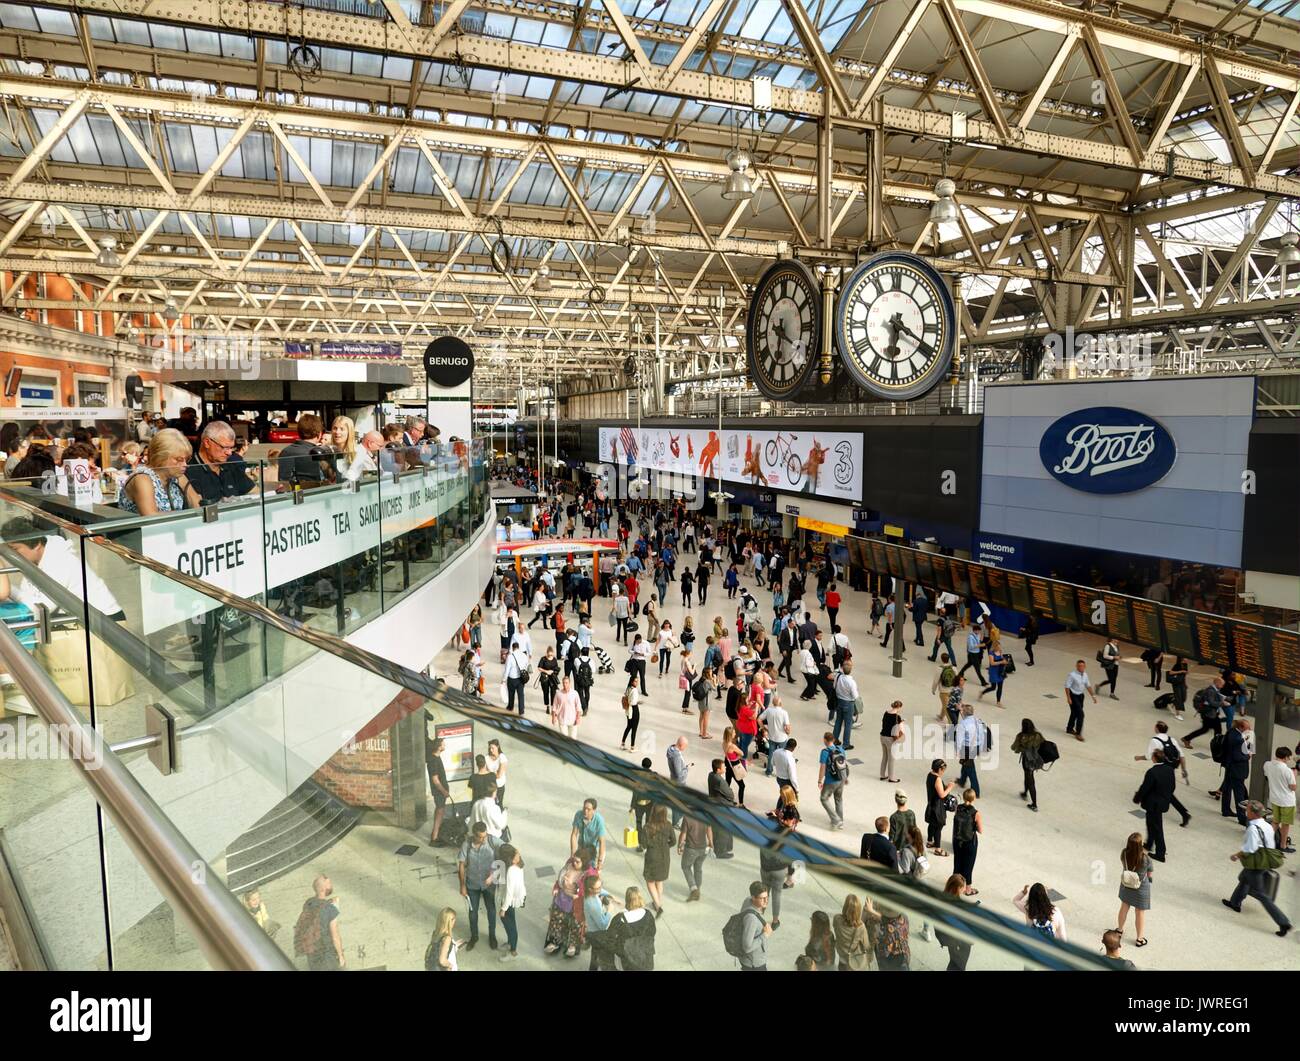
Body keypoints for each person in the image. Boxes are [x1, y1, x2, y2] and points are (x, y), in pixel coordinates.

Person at [1222, 801, 1293, 936]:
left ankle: (1283, 922)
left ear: (1253, 813)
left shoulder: (1253, 828)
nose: (1245, 812)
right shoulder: (1266, 825)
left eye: (1247, 810)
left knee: (1262, 894)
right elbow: (1271, 843)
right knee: (1244, 879)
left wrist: (1236, 856)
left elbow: (1250, 848)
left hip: (1256, 863)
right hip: (1264, 860)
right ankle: (1235, 903)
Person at [119, 428, 202, 515]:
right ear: (161, 457)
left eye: (186, 459)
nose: (185, 464)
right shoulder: (142, 479)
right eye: (179, 459)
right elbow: (151, 517)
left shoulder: (177, 476)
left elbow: (197, 505)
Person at [186, 420, 256, 504]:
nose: (229, 453)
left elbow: (255, 492)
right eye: (225, 447)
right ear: (207, 443)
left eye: (231, 448)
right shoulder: (189, 470)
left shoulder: (231, 466)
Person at [457, 822, 500, 952]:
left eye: (484, 836)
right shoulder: (467, 845)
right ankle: (474, 936)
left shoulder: (492, 841)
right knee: (472, 912)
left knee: (491, 911)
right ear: (474, 835)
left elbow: (507, 852)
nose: (483, 839)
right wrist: (462, 885)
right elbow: (461, 865)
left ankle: (492, 936)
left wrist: (494, 875)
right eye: (480, 837)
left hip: (489, 885)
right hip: (472, 884)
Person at [296, 875, 344, 970]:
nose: (331, 885)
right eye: (329, 883)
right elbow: (335, 936)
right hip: (327, 955)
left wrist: (330, 902)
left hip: (312, 952)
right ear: (323, 889)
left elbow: (318, 908)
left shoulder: (308, 903)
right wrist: (340, 955)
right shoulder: (330, 909)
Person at [1115, 832, 1153, 948]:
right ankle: (1139, 939)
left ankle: (1119, 930)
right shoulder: (1146, 859)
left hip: (1126, 885)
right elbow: (1149, 873)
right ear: (1140, 845)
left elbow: (1124, 864)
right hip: (1140, 888)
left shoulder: (1124, 853)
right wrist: (1149, 880)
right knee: (1139, 912)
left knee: (1124, 907)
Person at [544, 855, 585, 958]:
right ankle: (555, 942)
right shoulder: (567, 867)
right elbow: (559, 882)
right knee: (556, 921)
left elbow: (583, 892)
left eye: (577, 862)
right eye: (574, 861)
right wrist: (556, 888)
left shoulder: (584, 875)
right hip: (561, 900)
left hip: (574, 904)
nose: (574, 863)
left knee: (574, 925)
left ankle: (572, 945)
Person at [491, 843, 525, 962]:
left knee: (510, 926)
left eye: (517, 855)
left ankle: (513, 952)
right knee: (510, 923)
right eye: (516, 855)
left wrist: (503, 909)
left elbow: (509, 892)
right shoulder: (517, 864)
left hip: (509, 900)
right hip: (513, 898)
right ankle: (510, 943)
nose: (518, 857)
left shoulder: (511, 870)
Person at [609, 886, 657, 970]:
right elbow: (652, 932)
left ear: (627, 899)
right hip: (645, 956)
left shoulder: (619, 919)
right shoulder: (648, 915)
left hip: (628, 959)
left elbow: (610, 938)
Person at [277, 413, 332, 485]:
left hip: (289, 493)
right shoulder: (319, 454)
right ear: (319, 434)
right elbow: (329, 479)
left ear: (299, 432)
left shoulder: (285, 451)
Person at [640, 804, 674, 917]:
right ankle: (657, 902)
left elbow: (643, 844)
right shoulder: (668, 825)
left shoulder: (647, 827)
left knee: (650, 881)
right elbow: (673, 841)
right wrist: (665, 846)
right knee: (659, 880)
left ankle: (658, 906)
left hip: (652, 856)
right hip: (664, 856)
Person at [935, 875, 973, 971]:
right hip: (957, 940)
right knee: (959, 965)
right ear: (958, 888)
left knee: (954, 961)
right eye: (963, 887)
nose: (964, 890)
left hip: (950, 939)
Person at [1264, 747, 1297, 853]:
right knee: (1285, 824)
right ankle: (1283, 845)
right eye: (1288, 758)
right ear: (1285, 757)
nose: (1289, 760)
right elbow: (1293, 787)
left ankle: (1265, 841)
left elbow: (1266, 777)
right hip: (1287, 801)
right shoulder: (1287, 771)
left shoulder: (1267, 765)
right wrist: (1295, 775)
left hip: (1274, 798)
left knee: (1275, 821)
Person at [1221, 718, 1252, 826]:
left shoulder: (1232, 732)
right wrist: (1248, 756)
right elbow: (1237, 756)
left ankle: (1225, 810)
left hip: (1229, 766)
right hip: (1237, 769)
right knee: (1239, 795)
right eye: (1248, 728)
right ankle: (1242, 818)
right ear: (1241, 727)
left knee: (1227, 788)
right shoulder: (1238, 739)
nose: (1250, 730)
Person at [951, 788, 982, 895]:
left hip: (957, 840)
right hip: (970, 842)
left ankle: (954, 886)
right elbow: (980, 830)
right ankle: (968, 889)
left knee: (957, 863)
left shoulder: (958, 808)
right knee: (968, 865)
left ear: (963, 797)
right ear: (973, 799)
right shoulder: (976, 813)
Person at [1183, 677, 1228, 748]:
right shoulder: (1211, 691)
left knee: (1210, 729)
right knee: (1211, 730)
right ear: (1217, 683)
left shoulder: (1214, 690)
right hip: (1209, 714)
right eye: (1222, 684)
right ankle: (1217, 746)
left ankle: (1187, 738)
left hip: (1211, 713)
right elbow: (1212, 702)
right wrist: (1222, 703)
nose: (1223, 686)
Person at [832, 893, 873, 971]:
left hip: (842, 958)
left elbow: (835, 928)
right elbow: (866, 945)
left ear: (845, 907)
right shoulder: (861, 927)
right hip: (853, 962)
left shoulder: (837, 919)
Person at [924, 758, 955, 856]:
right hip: (938, 807)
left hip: (931, 804)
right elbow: (942, 795)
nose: (943, 772)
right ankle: (938, 848)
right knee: (938, 827)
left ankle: (929, 841)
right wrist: (950, 787)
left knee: (932, 824)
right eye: (943, 770)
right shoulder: (937, 779)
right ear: (940, 769)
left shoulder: (930, 775)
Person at [817, 731, 847, 830]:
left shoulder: (825, 752)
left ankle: (836, 820)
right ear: (833, 740)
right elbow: (844, 764)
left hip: (830, 780)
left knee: (823, 798)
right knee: (838, 799)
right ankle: (840, 822)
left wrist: (820, 780)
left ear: (825, 740)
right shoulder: (841, 749)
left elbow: (823, 767)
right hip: (841, 779)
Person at [954, 703, 985, 797]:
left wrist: (958, 750)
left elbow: (959, 739)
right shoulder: (978, 721)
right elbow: (982, 735)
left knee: (970, 769)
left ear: (964, 713)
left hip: (966, 748)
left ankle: (976, 791)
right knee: (966, 763)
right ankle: (962, 780)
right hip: (976, 747)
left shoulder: (963, 724)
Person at [426, 736, 452, 846]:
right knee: (439, 812)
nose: (444, 745)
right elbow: (435, 780)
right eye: (443, 744)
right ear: (438, 747)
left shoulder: (436, 757)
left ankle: (435, 834)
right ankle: (434, 838)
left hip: (440, 791)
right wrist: (444, 791)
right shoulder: (433, 761)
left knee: (439, 812)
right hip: (439, 792)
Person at [1064, 658, 1097, 742]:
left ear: (1085, 666)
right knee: (1081, 715)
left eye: (1082, 666)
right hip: (1073, 695)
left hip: (1080, 696)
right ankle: (1078, 733)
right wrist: (1068, 698)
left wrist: (1093, 696)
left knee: (1074, 713)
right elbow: (1067, 687)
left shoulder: (1085, 675)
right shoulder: (1072, 675)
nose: (1081, 667)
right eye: (1079, 666)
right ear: (1076, 666)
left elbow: (1088, 685)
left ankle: (1069, 728)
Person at [569, 797, 607, 869]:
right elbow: (574, 834)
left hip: (593, 851)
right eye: (584, 808)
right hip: (581, 847)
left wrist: (600, 861)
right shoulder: (578, 815)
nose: (585, 811)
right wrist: (573, 854)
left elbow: (602, 842)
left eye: (588, 809)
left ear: (594, 810)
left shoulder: (599, 820)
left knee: (591, 871)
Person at [760, 696, 792, 778]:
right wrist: (788, 732)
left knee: (771, 755)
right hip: (782, 738)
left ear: (773, 703)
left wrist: (763, 728)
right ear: (781, 703)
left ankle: (769, 772)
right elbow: (787, 727)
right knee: (783, 755)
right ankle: (781, 773)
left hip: (772, 737)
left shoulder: (769, 711)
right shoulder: (784, 713)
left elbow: (759, 719)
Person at [831, 657, 858, 750]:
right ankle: (846, 743)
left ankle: (834, 739)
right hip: (848, 703)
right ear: (850, 669)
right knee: (848, 724)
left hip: (839, 701)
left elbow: (834, 687)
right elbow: (855, 696)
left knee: (838, 720)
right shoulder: (851, 682)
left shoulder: (838, 677)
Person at [874, 906, 910, 971]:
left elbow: (885, 952)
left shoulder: (888, 929)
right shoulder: (904, 917)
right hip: (904, 954)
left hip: (892, 962)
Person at [879, 699, 904, 783]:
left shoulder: (886, 713)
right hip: (891, 739)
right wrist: (902, 722)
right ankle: (891, 777)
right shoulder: (897, 717)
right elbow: (901, 729)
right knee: (891, 759)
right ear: (899, 707)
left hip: (882, 736)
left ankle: (882, 775)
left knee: (884, 757)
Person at [550, 675, 582, 739]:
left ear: (569, 683)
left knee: (573, 739)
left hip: (573, 720)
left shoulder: (574, 693)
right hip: (562, 720)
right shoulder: (558, 693)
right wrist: (553, 717)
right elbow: (554, 707)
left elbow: (578, 707)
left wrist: (578, 718)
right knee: (564, 739)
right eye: (564, 683)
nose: (565, 684)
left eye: (566, 683)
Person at [504, 640, 530, 716]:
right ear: (518, 647)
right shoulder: (524, 655)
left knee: (511, 694)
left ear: (513, 648)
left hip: (512, 678)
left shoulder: (510, 657)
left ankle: (510, 707)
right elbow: (526, 665)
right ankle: (521, 711)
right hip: (521, 678)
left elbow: (507, 669)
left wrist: (504, 679)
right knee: (521, 695)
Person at [980, 638, 1008, 705]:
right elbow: (992, 663)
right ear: (994, 646)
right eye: (998, 646)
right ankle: (982, 692)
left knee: (1000, 686)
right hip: (993, 671)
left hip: (1000, 671)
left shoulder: (1000, 651)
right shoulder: (991, 653)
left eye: (999, 646)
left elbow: (1002, 658)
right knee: (993, 687)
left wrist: (1005, 661)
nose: (999, 647)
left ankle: (998, 702)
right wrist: (1001, 661)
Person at [620, 677, 641, 751]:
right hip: (634, 710)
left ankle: (622, 743)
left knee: (628, 726)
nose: (637, 682)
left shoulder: (628, 688)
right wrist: (637, 702)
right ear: (632, 682)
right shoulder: (635, 690)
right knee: (634, 729)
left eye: (637, 681)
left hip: (628, 710)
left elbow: (627, 697)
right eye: (635, 681)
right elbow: (632, 702)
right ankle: (632, 747)